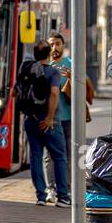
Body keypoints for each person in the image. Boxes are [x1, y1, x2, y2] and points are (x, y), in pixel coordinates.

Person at [19, 42, 70, 208]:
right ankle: (63, 197)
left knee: (35, 157)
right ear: (49, 54)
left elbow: (15, 92)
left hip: (30, 120)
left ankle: (41, 196)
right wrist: (48, 117)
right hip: (50, 122)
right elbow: (55, 93)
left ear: (34, 54)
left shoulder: (26, 69)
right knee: (59, 157)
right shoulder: (52, 71)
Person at [47, 32, 74, 188]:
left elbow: (86, 93)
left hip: (68, 118)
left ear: (63, 45)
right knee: (49, 156)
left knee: (68, 155)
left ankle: (67, 186)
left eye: (57, 44)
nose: (54, 48)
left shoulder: (71, 63)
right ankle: (50, 188)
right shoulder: (45, 66)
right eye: (51, 44)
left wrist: (72, 78)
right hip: (50, 119)